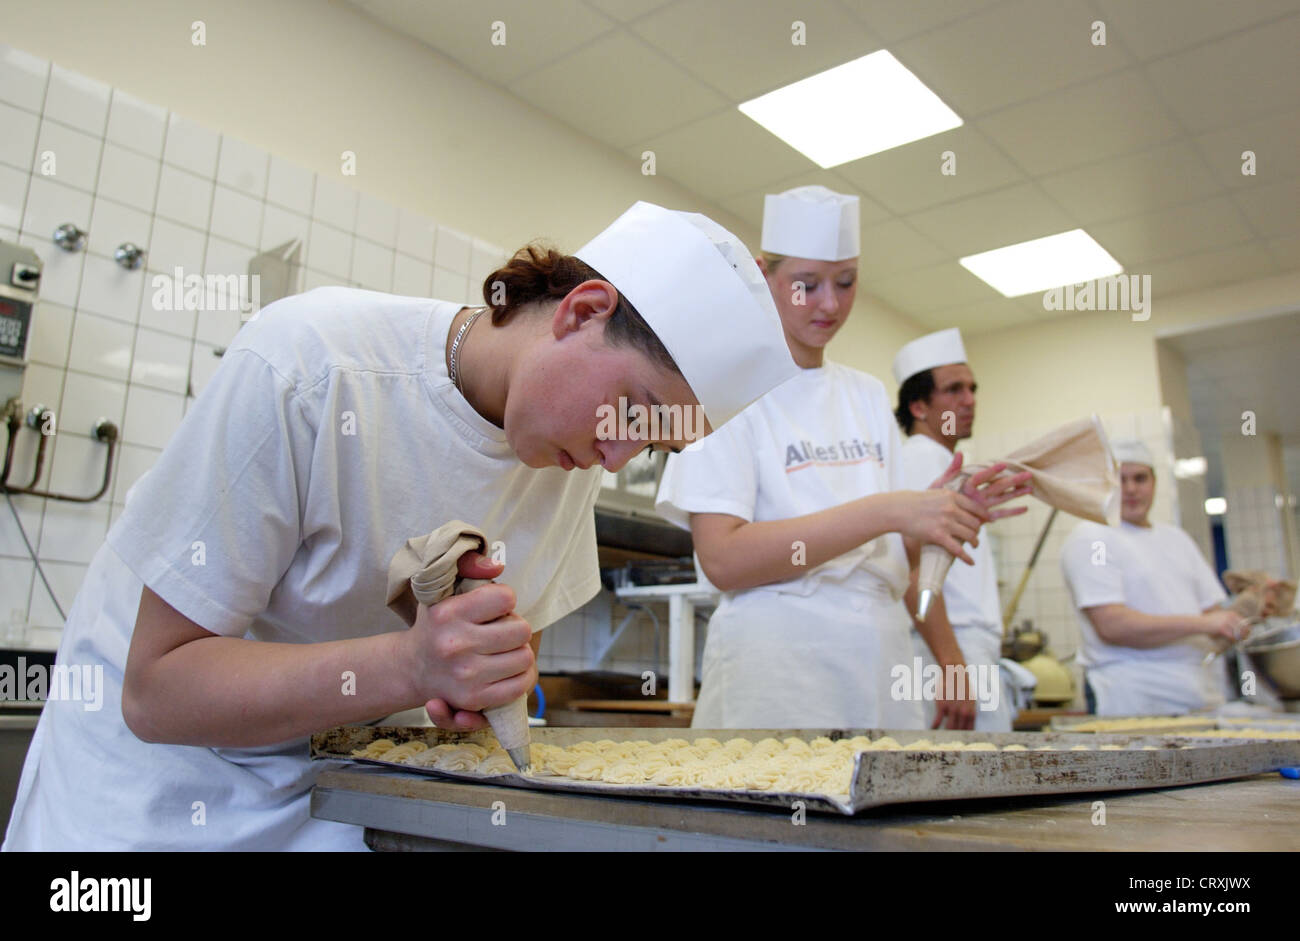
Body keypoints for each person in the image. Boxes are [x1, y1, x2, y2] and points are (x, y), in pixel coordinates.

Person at [2, 201, 798, 850]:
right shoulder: (312, 368)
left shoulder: (564, 465)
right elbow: (156, 689)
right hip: (147, 814)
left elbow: (481, 687)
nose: (616, 456)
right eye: (636, 412)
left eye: (654, 442)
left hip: (328, 811)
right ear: (582, 312)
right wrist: (414, 665)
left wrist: (472, 684)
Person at [655, 185, 1030, 730]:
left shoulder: (867, 395)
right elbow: (725, 559)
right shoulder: (723, 392)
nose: (829, 304)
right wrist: (888, 510)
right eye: (806, 284)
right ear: (764, 275)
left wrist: (948, 649)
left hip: (881, 661)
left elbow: (904, 558)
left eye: (846, 282)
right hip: (779, 673)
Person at [1059, 439, 1249, 716]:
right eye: (1120, 479)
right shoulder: (1092, 537)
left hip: (1196, 689)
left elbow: (1214, 614)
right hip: (1130, 692)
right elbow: (1112, 625)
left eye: (1140, 478)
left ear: (1154, 482)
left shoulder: (1177, 539)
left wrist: (1250, 609)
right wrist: (1206, 623)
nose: (1131, 489)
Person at [894, 328, 1016, 731]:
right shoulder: (918, 462)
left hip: (959, 650)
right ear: (918, 406)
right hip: (943, 651)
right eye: (953, 390)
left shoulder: (944, 465)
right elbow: (912, 568)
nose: (969, 401)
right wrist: (952, 665)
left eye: (972, 388)